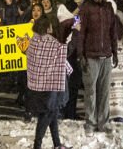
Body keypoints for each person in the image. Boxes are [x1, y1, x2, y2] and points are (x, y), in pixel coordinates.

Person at [71, 0, 123, 132]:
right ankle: (90, 122)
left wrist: (114, 52)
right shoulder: (85, 8)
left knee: (104, 91)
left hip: (106, 56)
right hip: (90, 56)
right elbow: (79, 32)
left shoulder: (108, 8)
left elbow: (113, 32)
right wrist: (80, 54)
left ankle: (104, 122)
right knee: (91, 91)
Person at [26, 14, 69, 149]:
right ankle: (37, 145)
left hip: (36, 85)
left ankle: (57, 144)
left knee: (53, 111)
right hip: (50, 84)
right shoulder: (51, 42)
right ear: (47, 28)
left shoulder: (33, 41)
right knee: (47, 113)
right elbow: (63, 57)